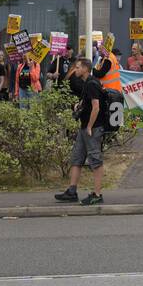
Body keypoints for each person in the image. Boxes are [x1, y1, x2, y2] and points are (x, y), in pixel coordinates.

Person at [54, 58, 107, 206]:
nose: (75, 70)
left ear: (85, 69)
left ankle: (97, 194)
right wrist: (79, 105)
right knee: (77, 158)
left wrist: (90, 126)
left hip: (93, 128)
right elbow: (89, 103)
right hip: (84, 127)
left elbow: (96, 107)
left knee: (95, 160)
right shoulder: (87, 84)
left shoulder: (91, 84)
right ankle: (72, 191)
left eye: (77, 67)